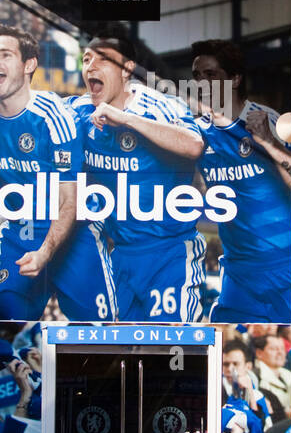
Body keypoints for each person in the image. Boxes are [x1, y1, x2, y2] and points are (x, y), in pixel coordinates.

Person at [0, 24, 115, 321]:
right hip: (21, 233)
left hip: (74, 232)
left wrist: (46, 252)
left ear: (28, 65)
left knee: (98, 333)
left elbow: (68, 201)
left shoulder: (54, 117)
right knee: (10, 318)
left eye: (6, 55)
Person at [70, 35, 207, 322]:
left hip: (170, 254)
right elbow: (35, 118)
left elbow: (194, 144)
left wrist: (125, 119)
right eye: (86, 59)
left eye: (102, 58)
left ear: (127, 69)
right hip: (119, 256)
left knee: (170, 346)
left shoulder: (160, 105)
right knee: (119, 351)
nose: (91, 67)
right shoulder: (79, 112)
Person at [191, 39, 291, 324]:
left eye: (211, 75)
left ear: (235, 79)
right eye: (197, 76)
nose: (202, 82)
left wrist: (269, 143)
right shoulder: (197, 132)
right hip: (239, 274)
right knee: (222, 346)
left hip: (286, 267)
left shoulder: (266, 120)